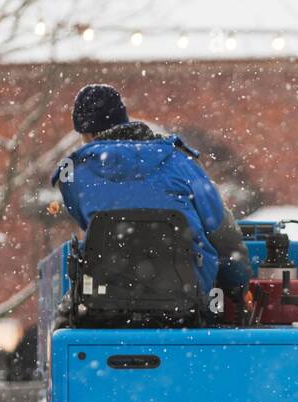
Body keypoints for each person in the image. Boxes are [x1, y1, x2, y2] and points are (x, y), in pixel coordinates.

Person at [51, 84, 252, 298]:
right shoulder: (181, 162)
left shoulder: (75, 173)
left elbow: (90, 227)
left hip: (107, 299)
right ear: (123, 119)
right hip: (188, 297)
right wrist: (236, 285)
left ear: (87, 134)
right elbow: (222, 233)